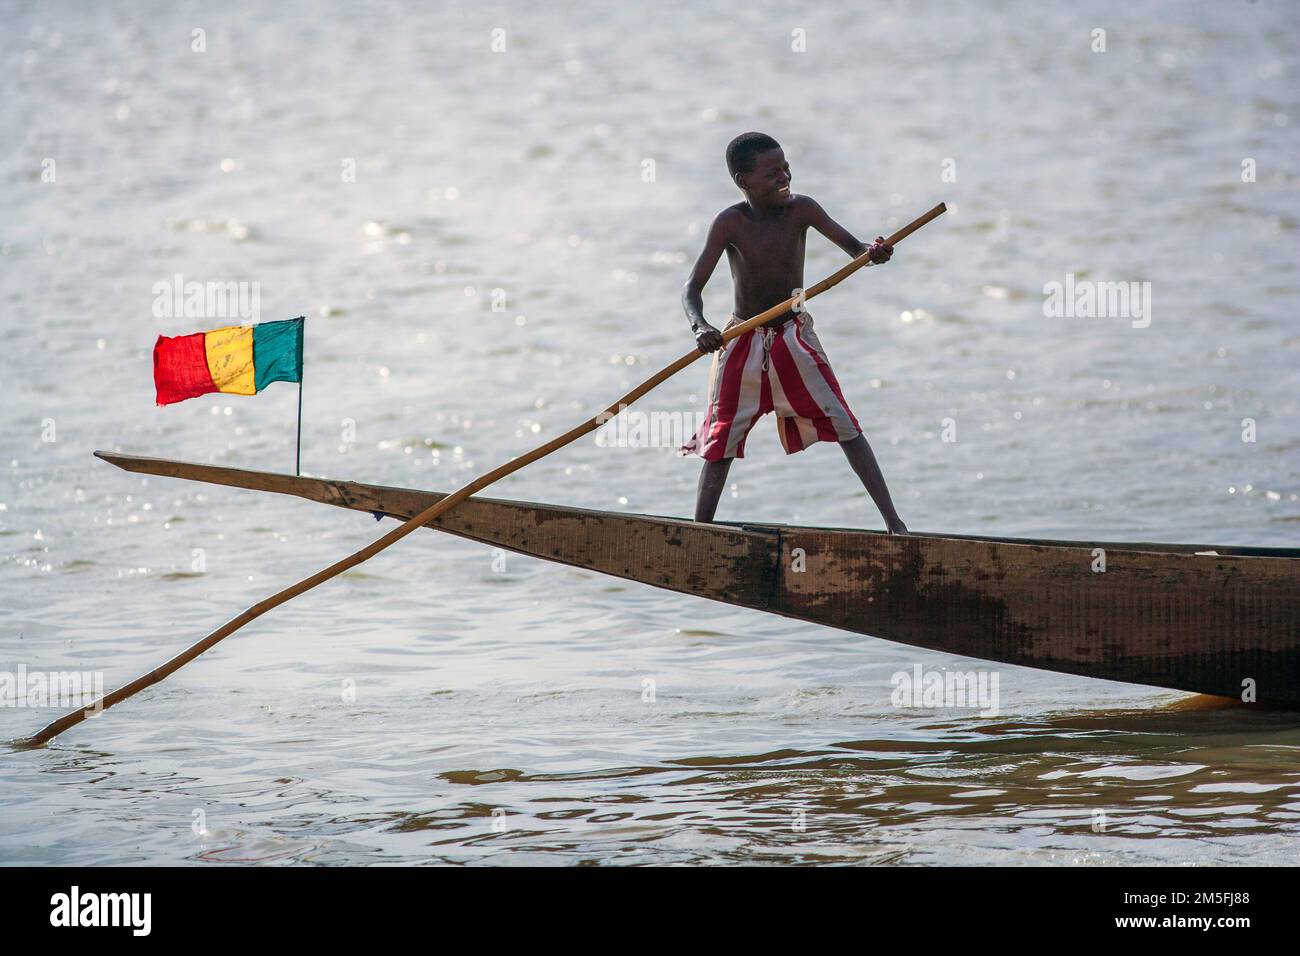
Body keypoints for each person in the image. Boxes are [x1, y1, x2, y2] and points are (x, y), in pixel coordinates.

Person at [680, 131, 908, 533]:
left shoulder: (802, 210)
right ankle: (701, 534)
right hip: (741, 342)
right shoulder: (730, 223)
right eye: (772, 173)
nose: (785, 177)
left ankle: (895, 525)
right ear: (743, 181)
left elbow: (855, 250)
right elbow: (691, 289)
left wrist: (874, 254)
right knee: (720, 444)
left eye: (785, 168)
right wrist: (701, 327)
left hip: (793, 336)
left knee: (845, 424)